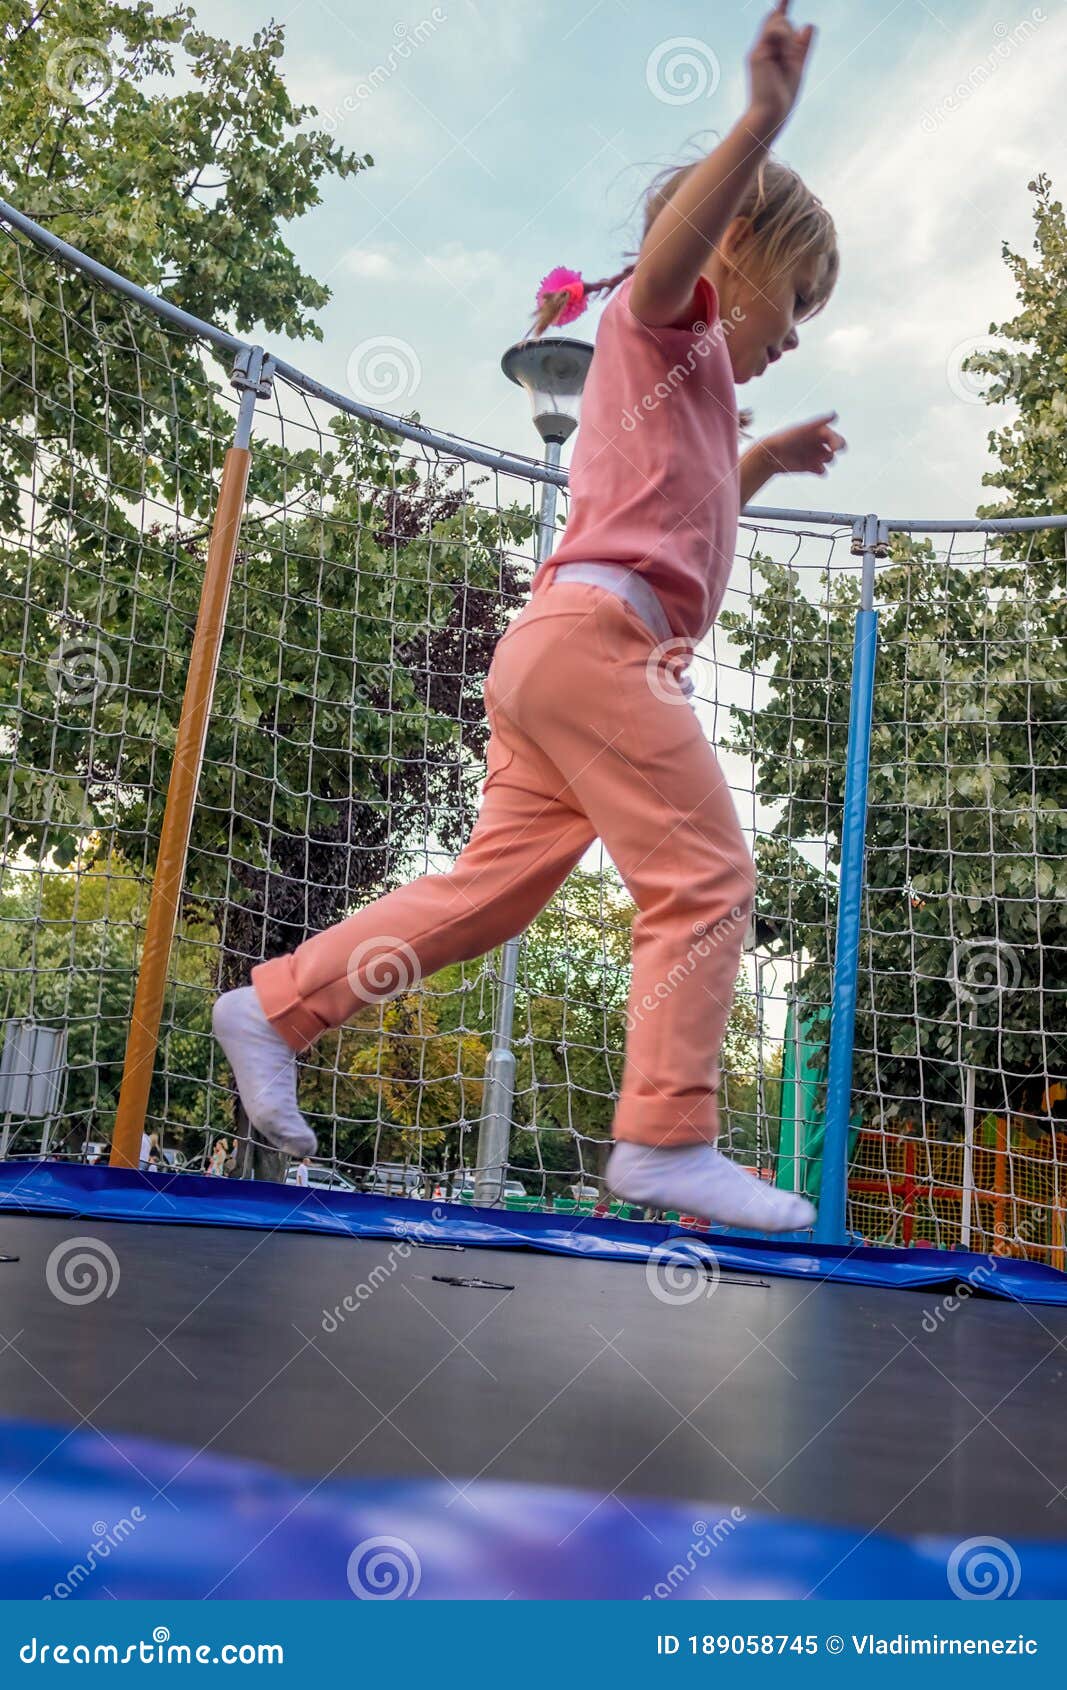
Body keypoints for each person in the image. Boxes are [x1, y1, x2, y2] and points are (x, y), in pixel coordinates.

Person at [213, 4, 841, 1234]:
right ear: (740, 250)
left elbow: (691, 499)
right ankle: (664, 1135)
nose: (795, 332)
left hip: (555, 660)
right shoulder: (666, 319)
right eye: (795, 301)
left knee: (487, 896)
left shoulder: (700, 392)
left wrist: (762, 457)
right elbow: (673, 258)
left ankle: (275, 1005)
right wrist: (759, 122)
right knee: (706, 871)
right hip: (599, 655)